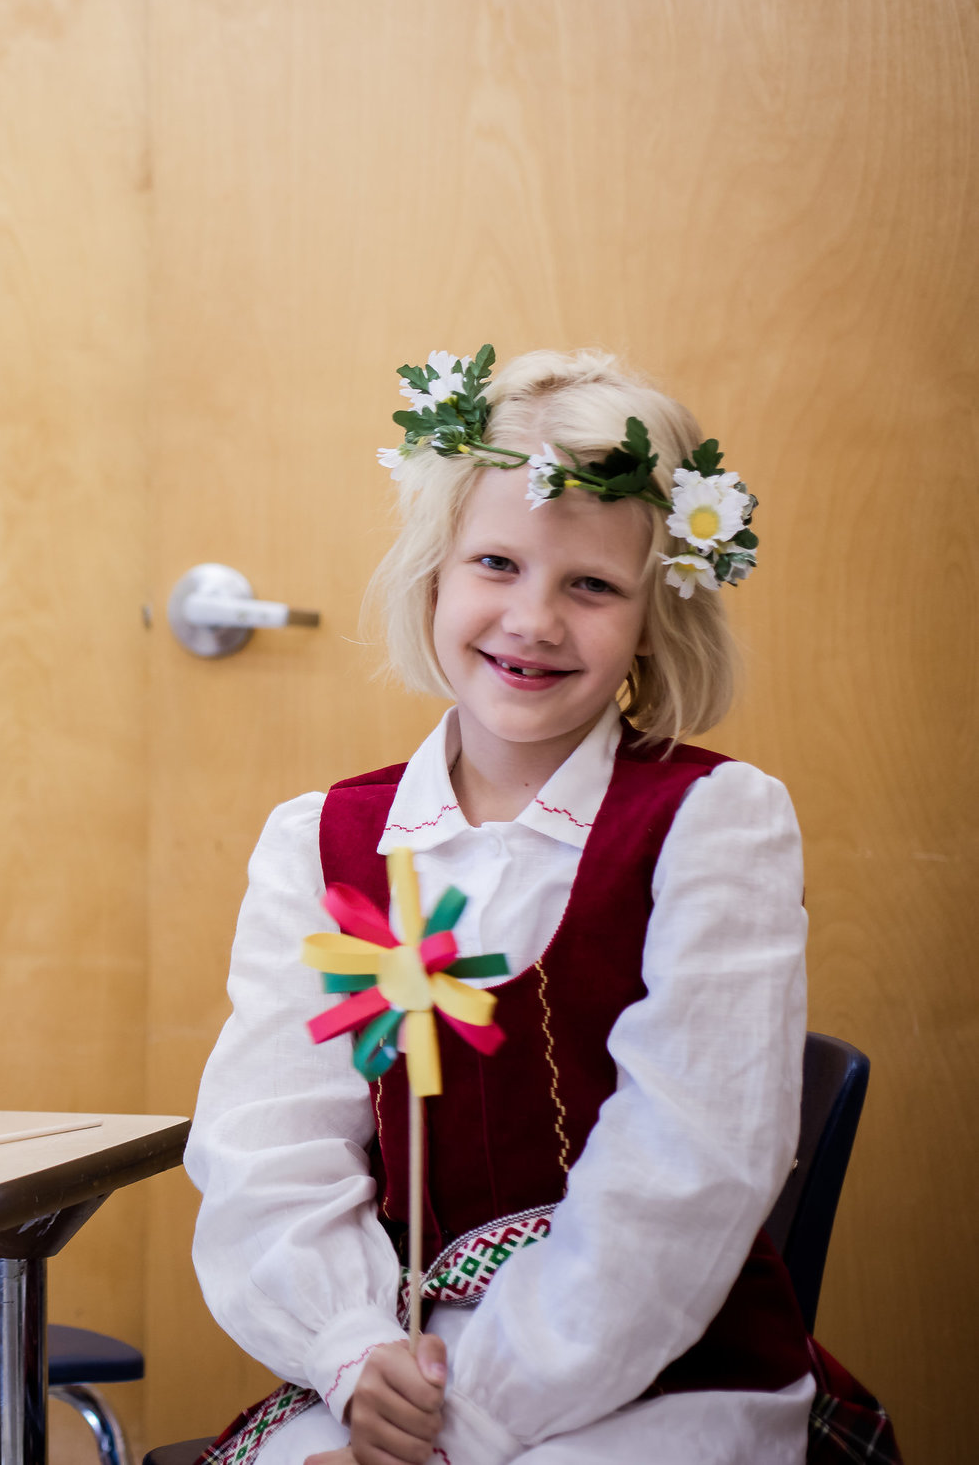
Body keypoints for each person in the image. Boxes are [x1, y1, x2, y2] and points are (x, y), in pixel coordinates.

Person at [185, 349, 894, 1464]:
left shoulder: (714, 822)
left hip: (651, 1369)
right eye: (496, 563)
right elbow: (266, 1146)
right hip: (394, 1363)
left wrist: (469, 1423)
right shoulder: (318, 839)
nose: (532, 618)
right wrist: (353, 1352)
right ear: (433, 576)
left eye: (591, 585)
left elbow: (686, 1172)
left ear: (656, 614)